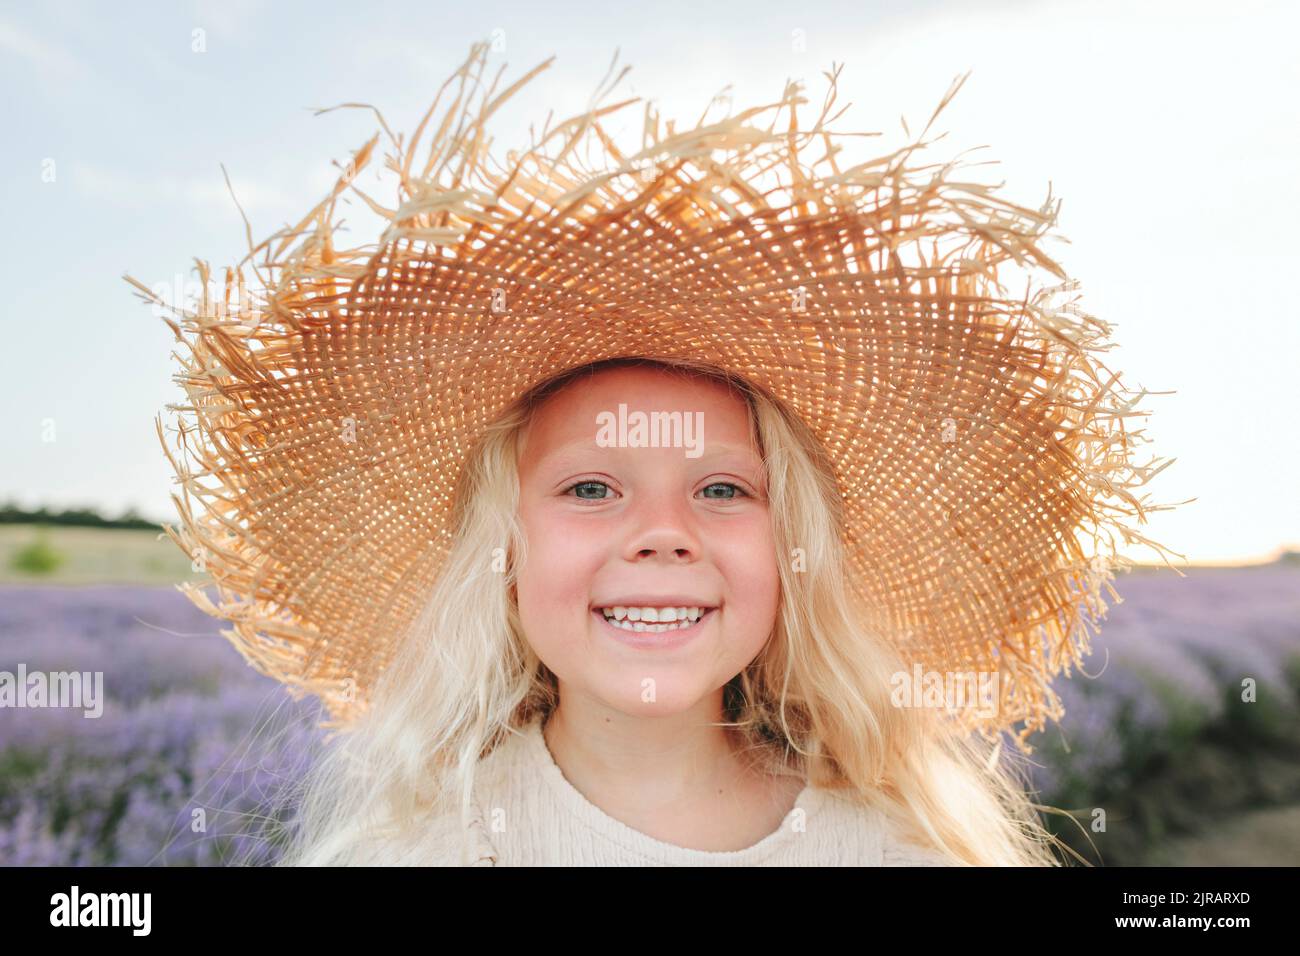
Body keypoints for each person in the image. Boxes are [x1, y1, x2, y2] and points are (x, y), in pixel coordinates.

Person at [133, 40, 1184, 866]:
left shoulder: (898, 847)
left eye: (722, 488)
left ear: (792, 554)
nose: (662, 535)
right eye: (591, 485)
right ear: (499, 552)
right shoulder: (425, 848)